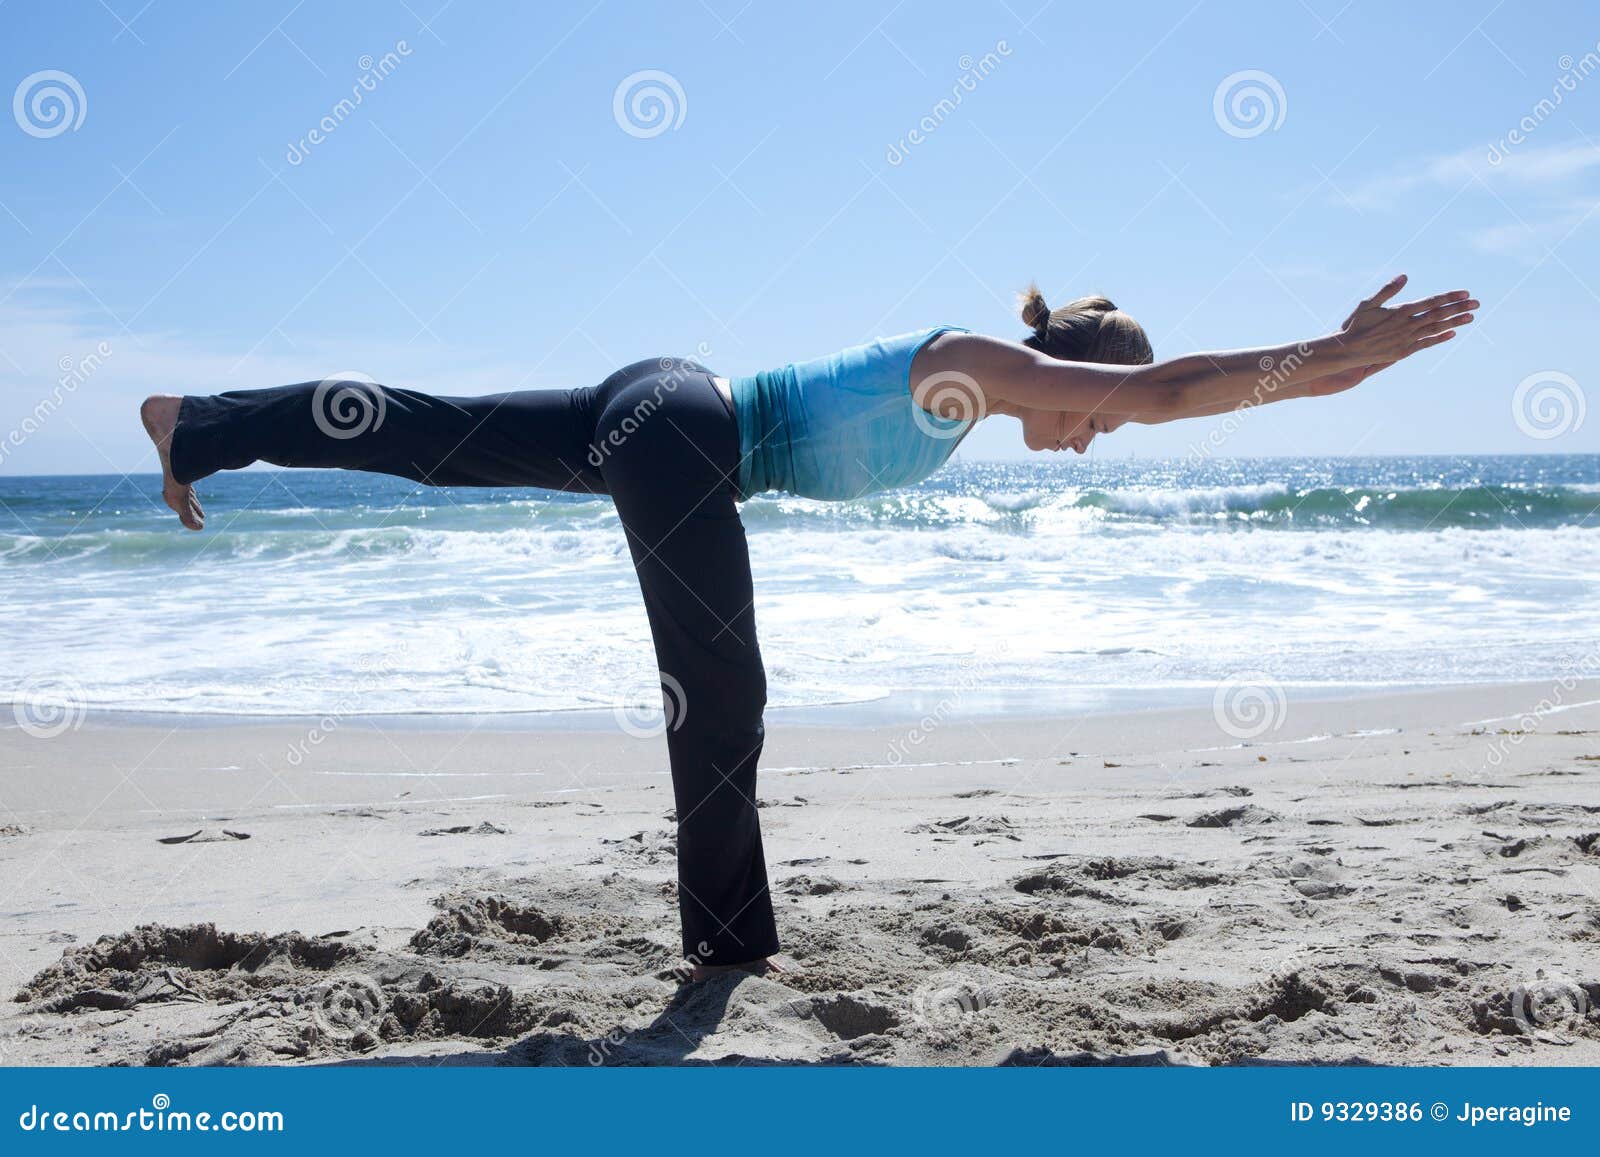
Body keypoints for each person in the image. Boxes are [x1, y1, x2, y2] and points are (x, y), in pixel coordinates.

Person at [139, 273, 1473, 979]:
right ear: (1077, 379)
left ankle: (200, 426)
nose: (1086, 445)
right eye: (1099, 423)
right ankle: (726, 944)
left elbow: (1175, 391)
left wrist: (1341, 360)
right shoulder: (975, 363)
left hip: (668, 410)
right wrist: (1330, 351)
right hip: (685, 430)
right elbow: (1176, 390)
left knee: (439, 439)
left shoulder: (979, 392)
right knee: (723, 691)